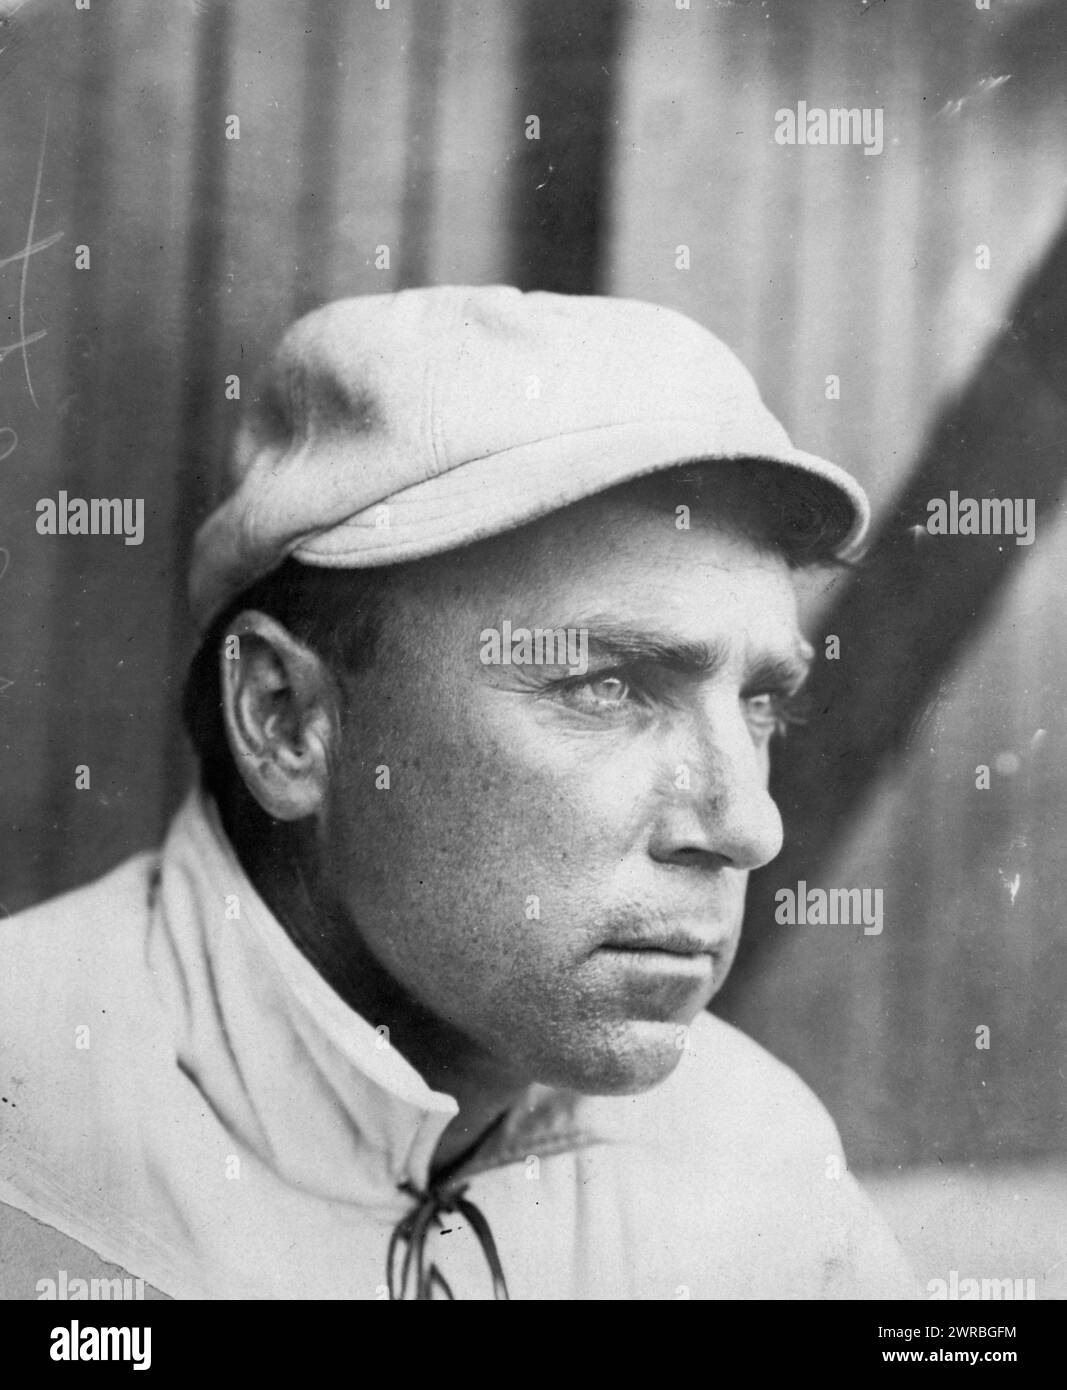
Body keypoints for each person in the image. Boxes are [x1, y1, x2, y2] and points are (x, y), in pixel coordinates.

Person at [0, 285, 917, 1299]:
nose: (747, 824)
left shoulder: (751, 1161)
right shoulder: (29, 1127)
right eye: (605, 686)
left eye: (759, 704)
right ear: (285, 718)